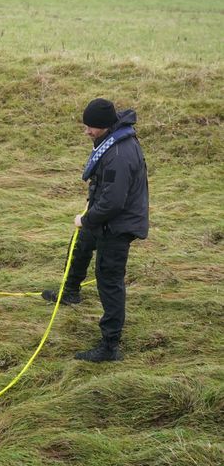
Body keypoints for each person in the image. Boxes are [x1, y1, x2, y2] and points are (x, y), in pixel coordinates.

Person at [43, 98, 149, 362]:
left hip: (118, 224)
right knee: (80, 246)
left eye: (92, 127)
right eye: (86, 125)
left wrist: (86, 219)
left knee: (108, 280)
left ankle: (110, 346)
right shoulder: (111, 139)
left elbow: (114, 202)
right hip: (104, 214)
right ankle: (70, 292)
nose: (87, 131)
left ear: (105, 126)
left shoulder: (119, 154)